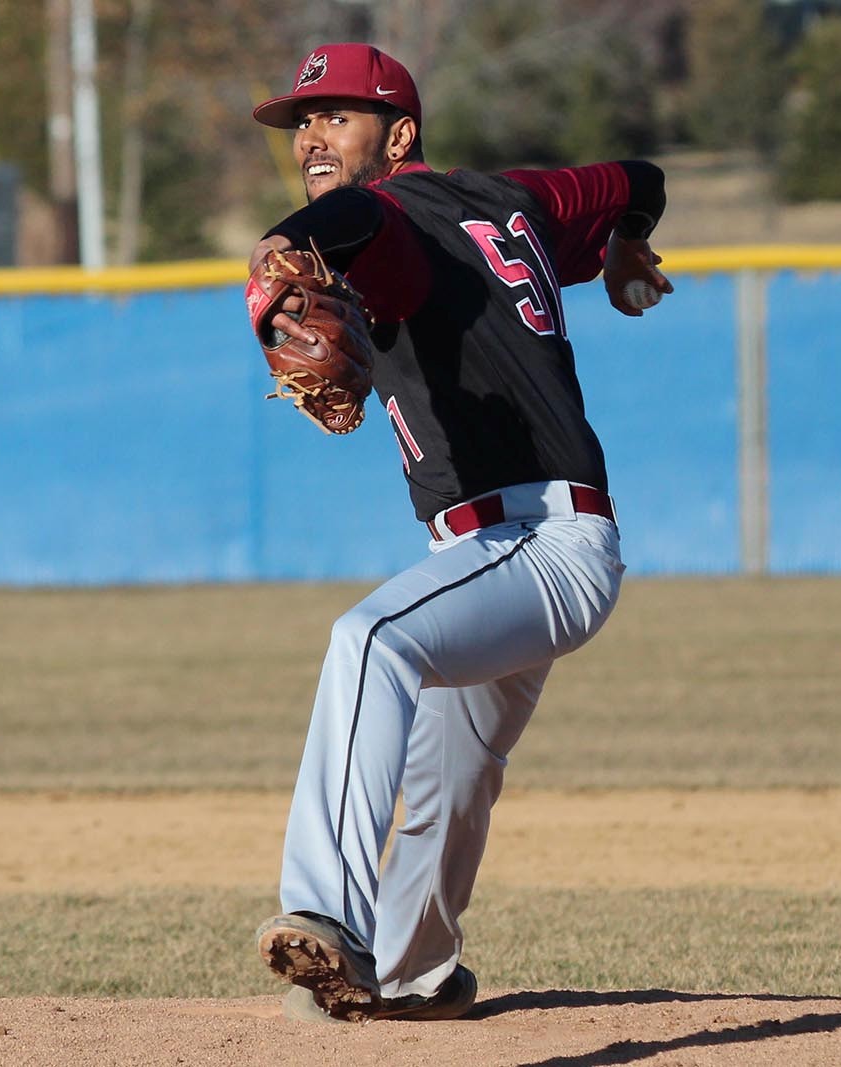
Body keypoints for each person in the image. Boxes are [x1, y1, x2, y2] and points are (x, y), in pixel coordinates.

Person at [248, 42, 672, 1024]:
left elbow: (352, 220)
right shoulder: (518, 199)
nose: (311, 134)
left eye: (338, 116)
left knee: (370, 641)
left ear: (397, 135)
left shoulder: (386, 214)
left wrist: (280, 243)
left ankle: (324, 908)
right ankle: (411, 971)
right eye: (302, 121)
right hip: (510, 553)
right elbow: (636, 179)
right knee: (448, 779)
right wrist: (623, 243)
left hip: (528, 541)